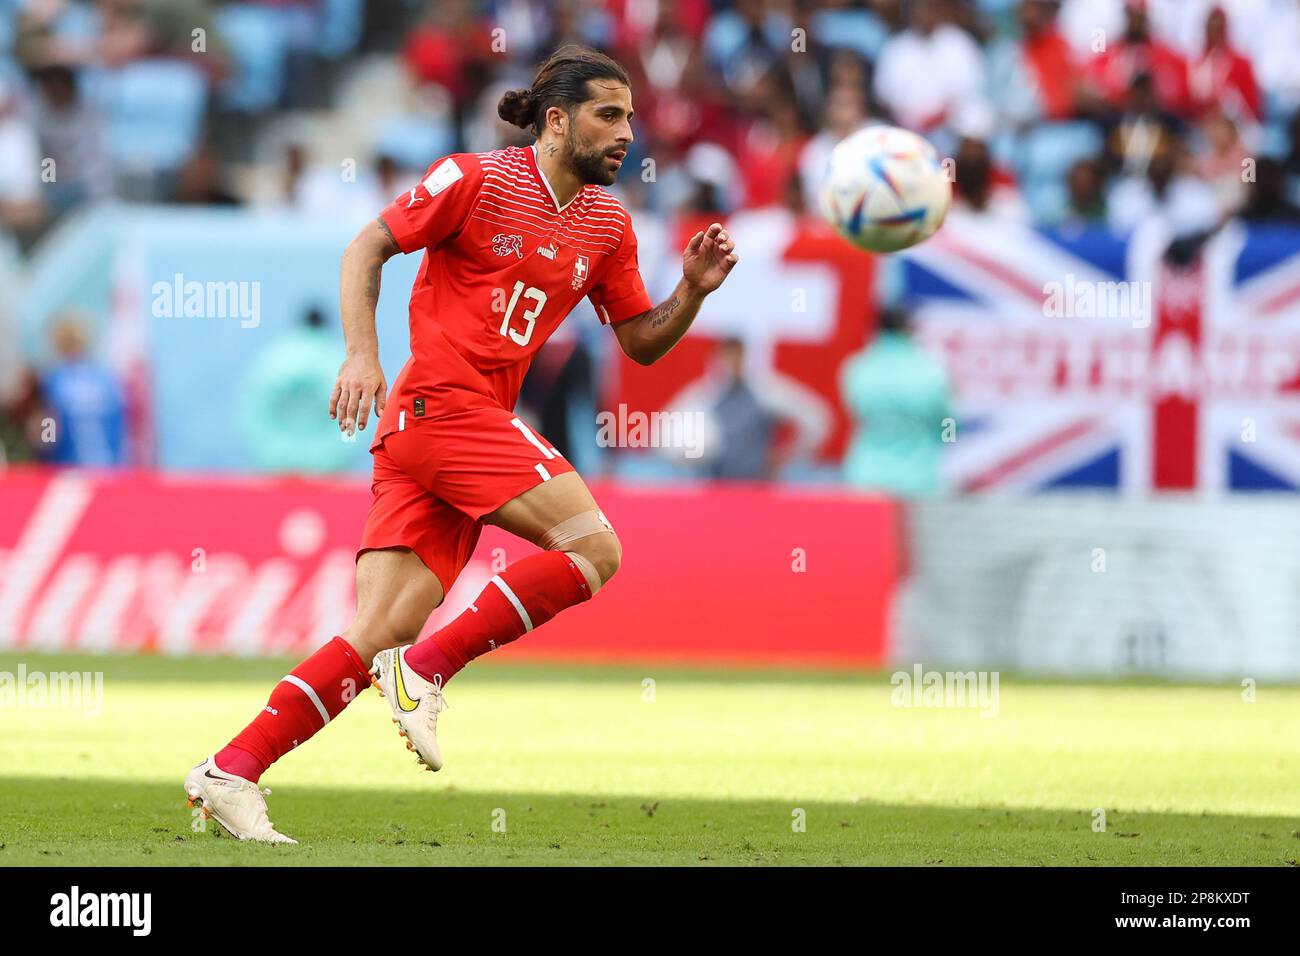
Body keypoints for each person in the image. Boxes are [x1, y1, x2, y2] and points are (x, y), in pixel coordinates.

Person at [184, 45, 741, 843]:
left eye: (630, 118)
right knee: (594, 548)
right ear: (557, 121)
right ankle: (429, 672)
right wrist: (362, 353)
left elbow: (641, 342)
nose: (627, 134)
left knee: (378, 631)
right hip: (442, 406)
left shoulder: (609, 225)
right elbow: (365, 247)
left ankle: (230, 771)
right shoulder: (475, 179)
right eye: (608, 115)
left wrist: (690, 292)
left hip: (454, 434)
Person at [841, 306, 951, 498]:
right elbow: (948, 422)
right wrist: (946, 441)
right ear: (910, 330)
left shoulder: (856, 368)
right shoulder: (932, 373)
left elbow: (856, 415)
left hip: (865, 475)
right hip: (919, 478)